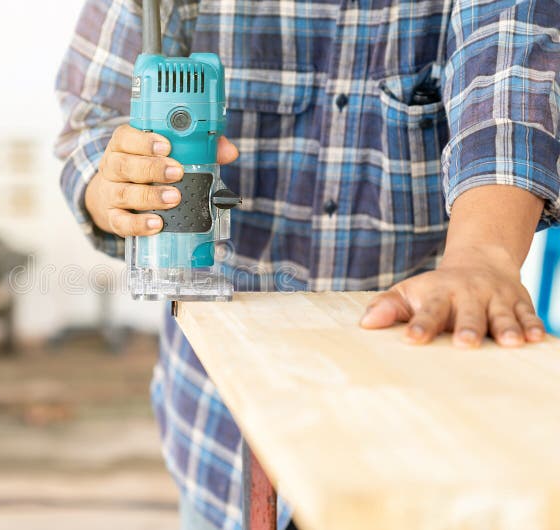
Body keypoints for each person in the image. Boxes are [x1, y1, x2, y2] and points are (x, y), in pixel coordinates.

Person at [54, 0, 560, 528]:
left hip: (415, 429)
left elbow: (510, 84)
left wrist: (480, 259)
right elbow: (89, 125)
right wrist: (116, 186)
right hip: (221, 433)